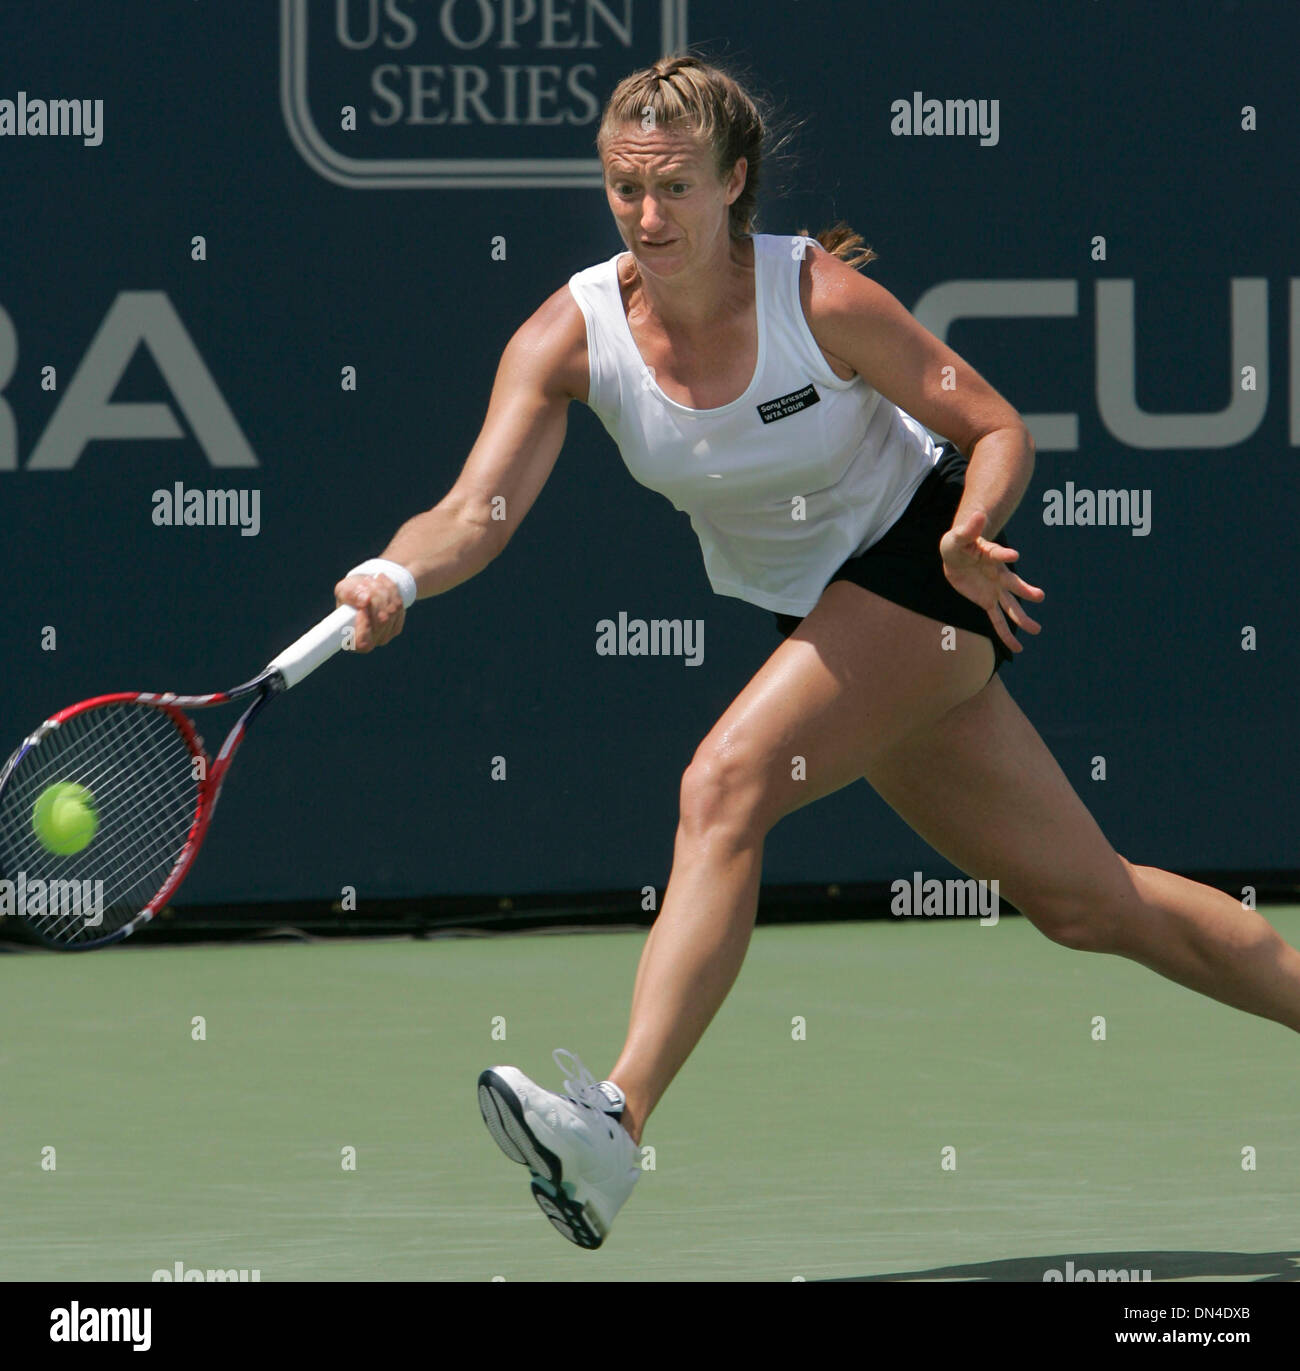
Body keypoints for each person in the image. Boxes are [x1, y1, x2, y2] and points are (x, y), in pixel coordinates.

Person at [333, 54, 1300, 1250]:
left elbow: (994, 424)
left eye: (675, 187)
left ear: (734, 184)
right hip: (828, 619)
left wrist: (968, 529)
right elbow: (475, 512)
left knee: (723, 784)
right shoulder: (571, 334)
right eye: (624, 188)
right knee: (1089, 904)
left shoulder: (818, 297)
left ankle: (613, 1123)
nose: (647, 216)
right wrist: (396, 572)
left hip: (922, 567)